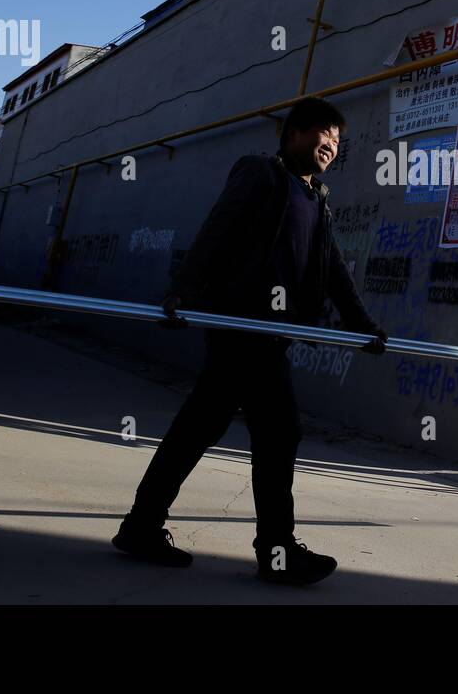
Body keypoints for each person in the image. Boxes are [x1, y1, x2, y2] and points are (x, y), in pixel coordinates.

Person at [112, 97, 387, 585]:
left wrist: (361, 324)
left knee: (200, 426)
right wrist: (184, 290)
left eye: (338, 141)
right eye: (324, 134)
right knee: (279, 431)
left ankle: (141, 526)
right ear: (294, 132)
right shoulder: (262, 174)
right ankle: (276, 552)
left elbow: (336, 272)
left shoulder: (317, 199)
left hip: (269, 334)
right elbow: (218, 228)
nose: (331, 146)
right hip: (243, 324)